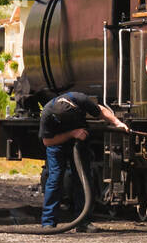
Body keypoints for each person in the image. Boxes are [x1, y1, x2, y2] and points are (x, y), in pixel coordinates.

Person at [39, 91, 128, 229]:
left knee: (83, 179)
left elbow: (100, 110)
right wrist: (71, 133)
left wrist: (117, 123)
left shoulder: (79, 99)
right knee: (55, 179)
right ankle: (48, 222)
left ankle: (83, 222)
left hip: (80, 142)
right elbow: (48, 141)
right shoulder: (47, 114)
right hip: (57, 144)